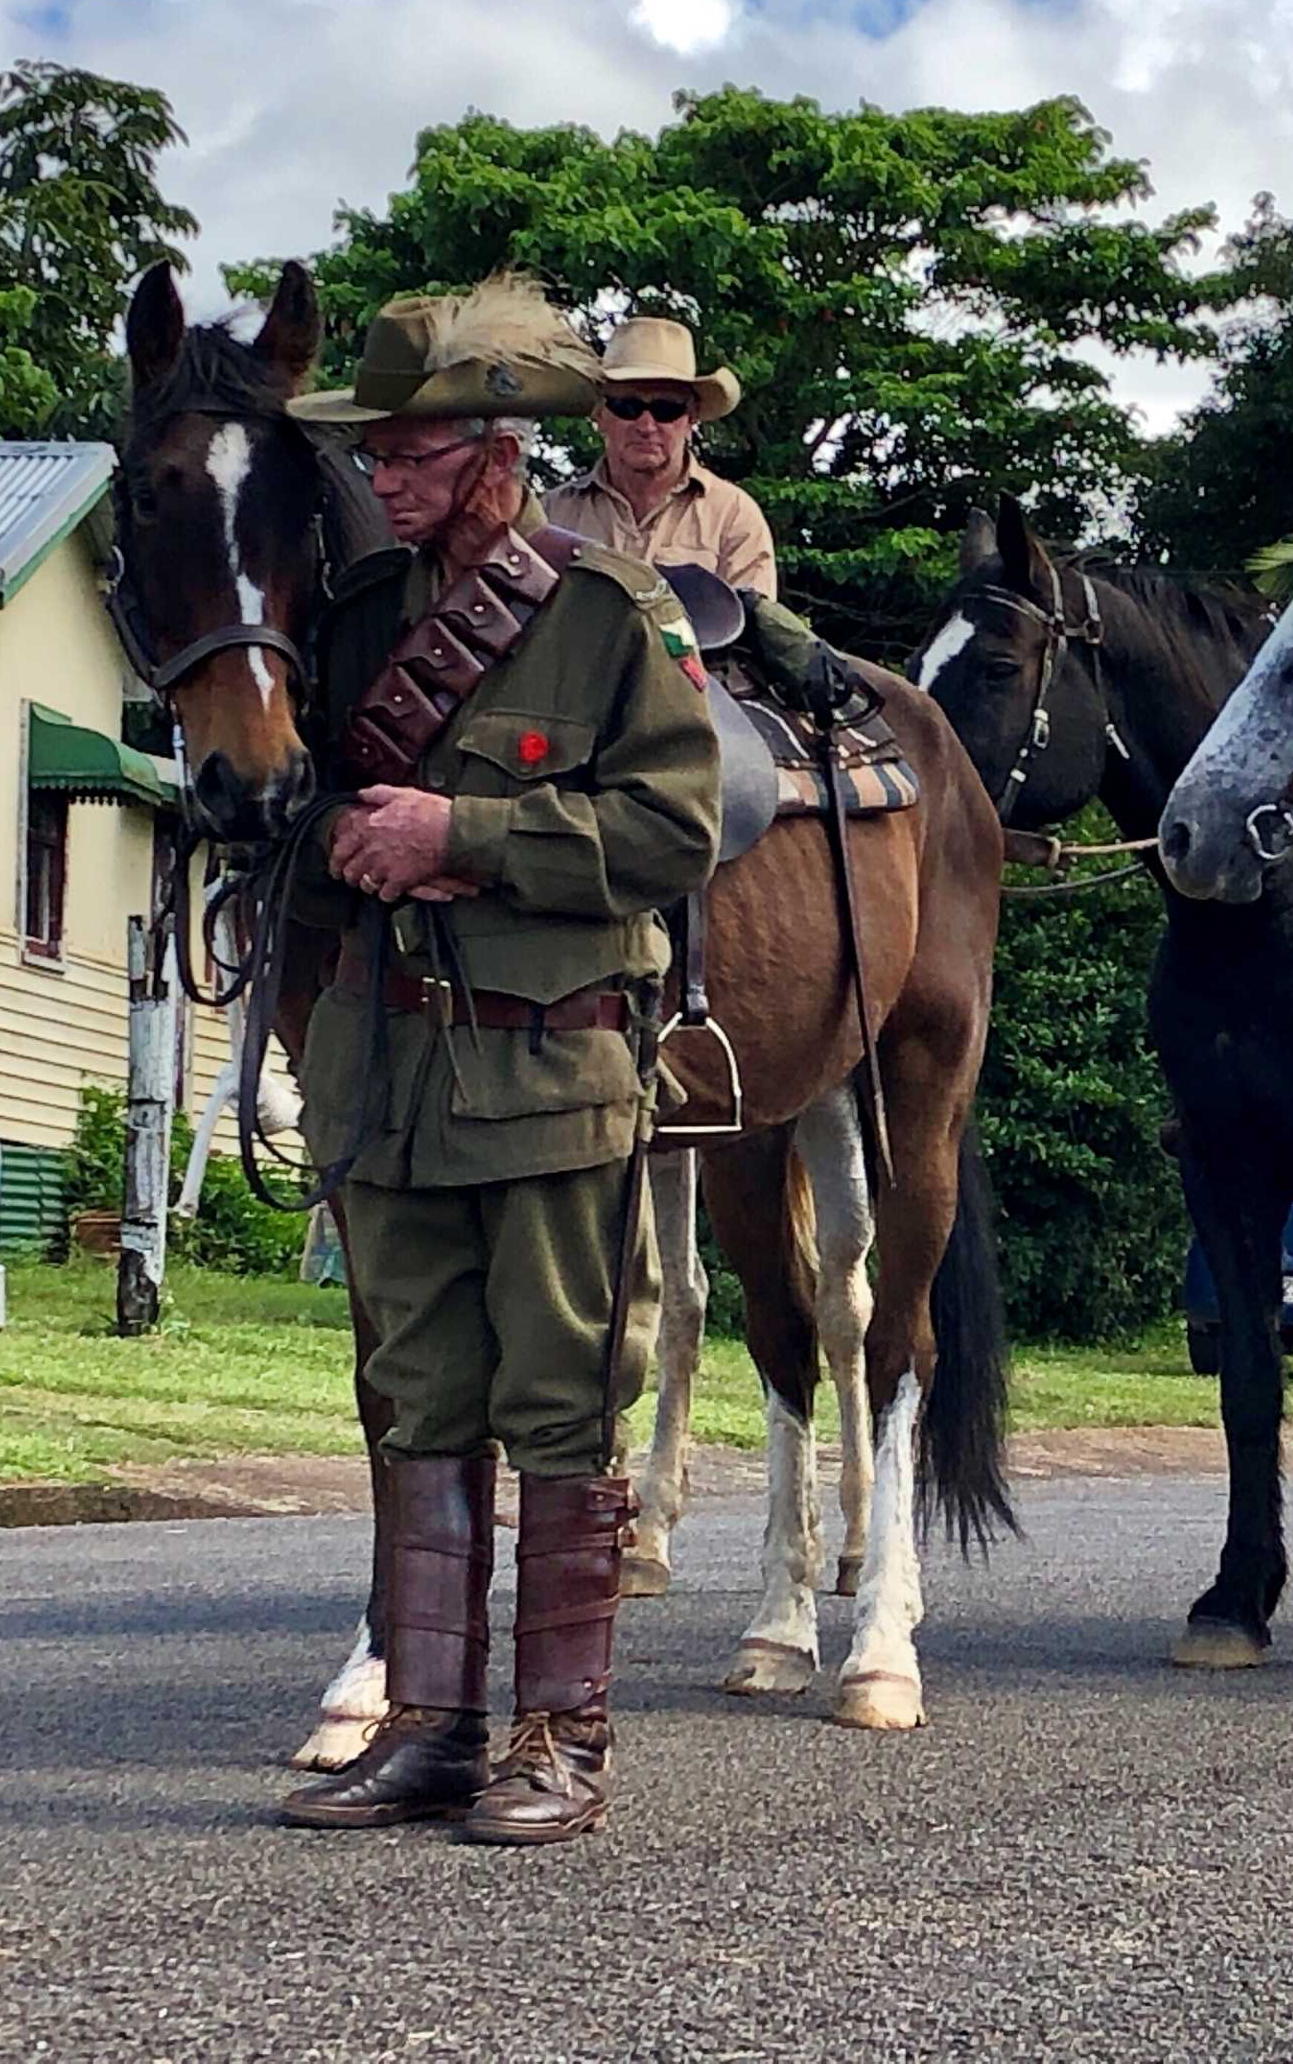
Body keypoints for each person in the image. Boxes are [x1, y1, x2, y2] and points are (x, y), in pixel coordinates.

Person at [273, 277, 724, 1847]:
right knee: (415, 1401)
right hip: (383, 1071)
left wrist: (463, 831)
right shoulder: (351, 625)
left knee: (556, 1405)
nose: (379, 476)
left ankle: (560, 1738)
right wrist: (335, 831)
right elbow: (295, 812)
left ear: (489, 452)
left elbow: (676, 828)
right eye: (375, 452)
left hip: (545, 1078)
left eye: (405, 450)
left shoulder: (605, 616)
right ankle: (432, 1722)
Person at [547, 313, 838, 712]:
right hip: (568, 704)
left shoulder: (735, 515)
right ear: (599, 414)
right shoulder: (550, 514)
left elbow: (748, 648)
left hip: (695, 712)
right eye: (627, 406)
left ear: (691, 420)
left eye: (666, 409)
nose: (647, 424)